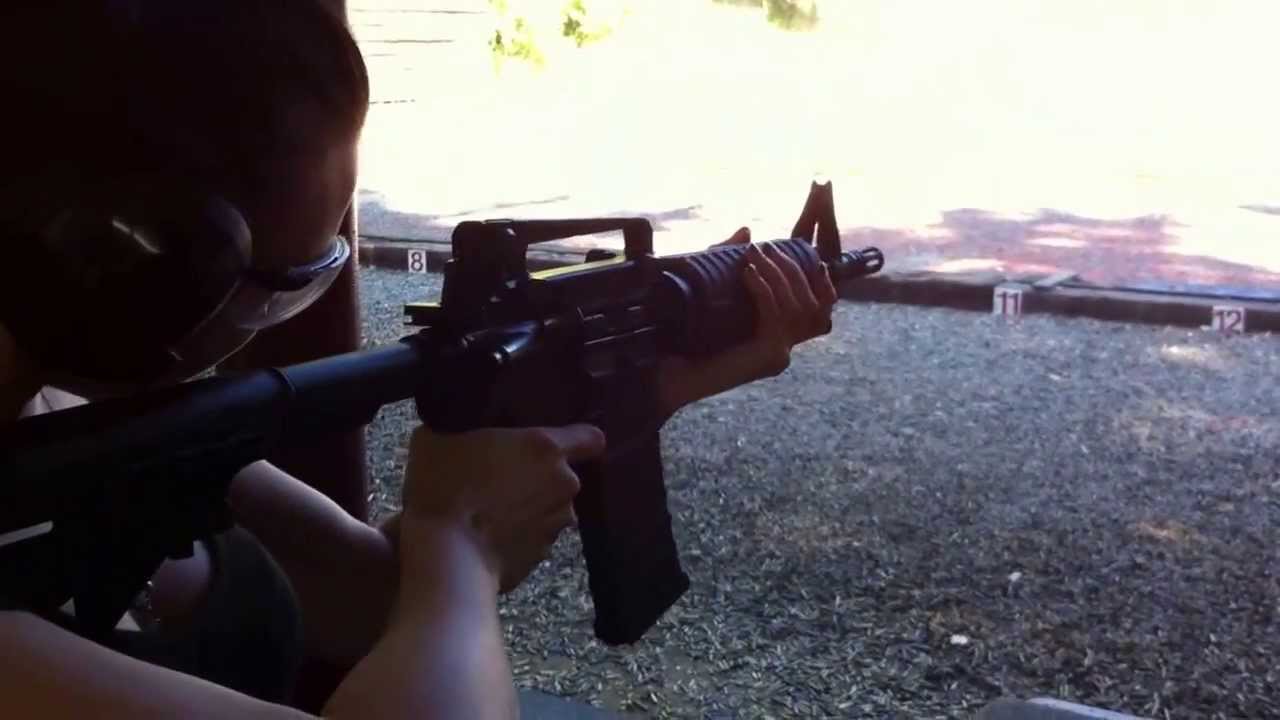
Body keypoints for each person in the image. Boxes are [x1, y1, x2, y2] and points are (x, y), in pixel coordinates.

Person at [0, 1, 840, 718]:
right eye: (289, 282)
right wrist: (461, 546)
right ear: (119, 269)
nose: (271, 326)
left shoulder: (90, 428)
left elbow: (373, 598)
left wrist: (631, 396)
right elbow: (443, 579)